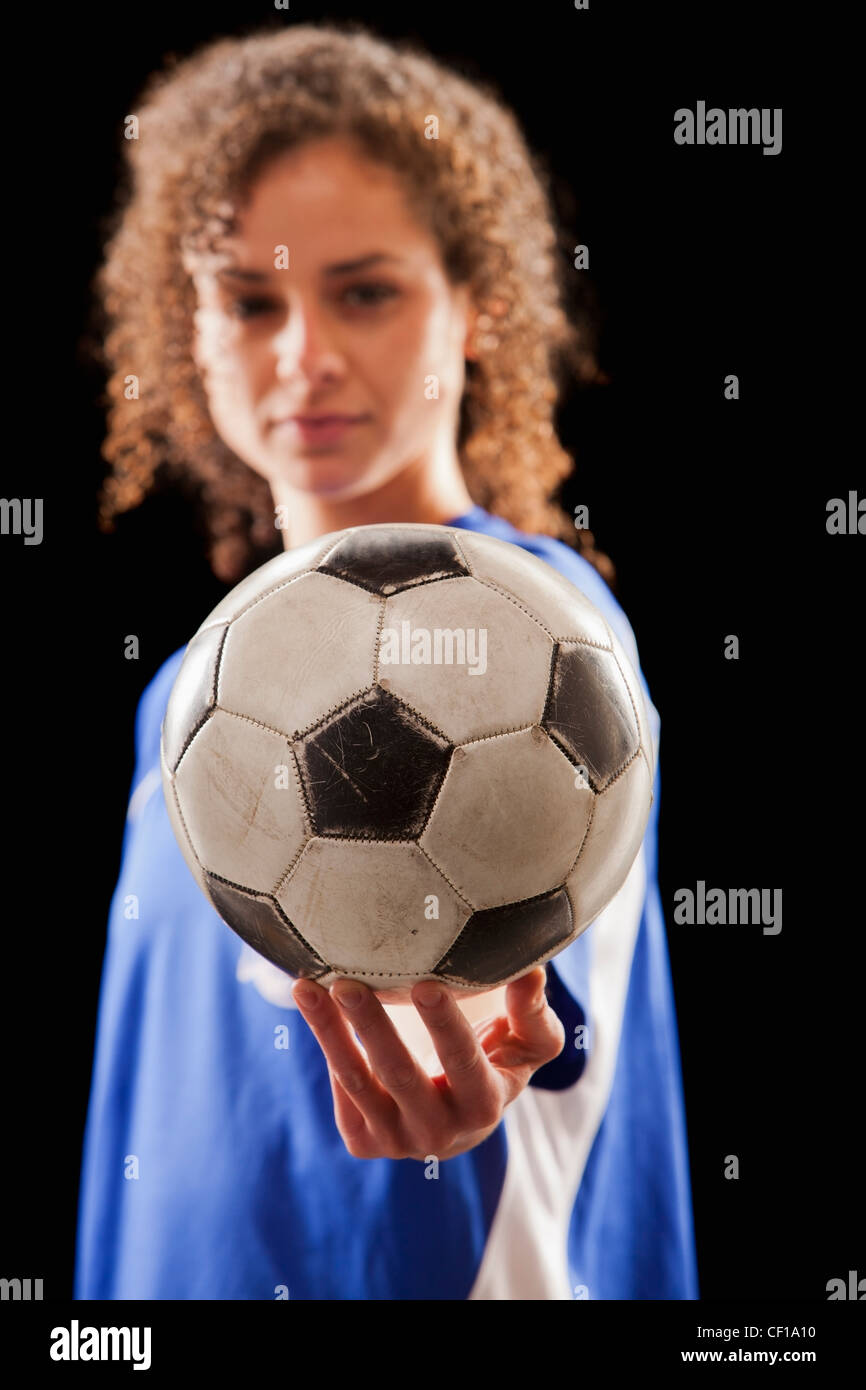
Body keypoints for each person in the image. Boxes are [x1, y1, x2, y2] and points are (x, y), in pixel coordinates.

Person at [75, 22, 699, 1300]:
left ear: (476, 306)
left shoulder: (548, 632)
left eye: (363, 291)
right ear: (188, 328)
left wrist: (487, 1043)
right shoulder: (183, 696)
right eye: (249, 300)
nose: (302, 354)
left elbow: (529, 998)